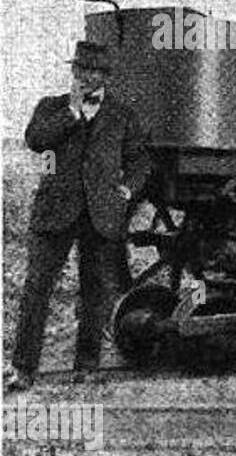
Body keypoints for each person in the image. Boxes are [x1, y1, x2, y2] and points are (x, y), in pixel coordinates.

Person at [5, 43, 151, 393]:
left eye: (94, 71)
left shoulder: (122, 114)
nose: (85, 76)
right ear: (73, 72)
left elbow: (140, 161)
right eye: (81, 69)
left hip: (100, 215)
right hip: (54, 212)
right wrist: (71, 113)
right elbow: (36, 140)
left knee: (94, 293)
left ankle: (86, 367)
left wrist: (127, 191)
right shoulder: (51, 107)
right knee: (37, 289)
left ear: (105, 76)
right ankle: (23, 369)